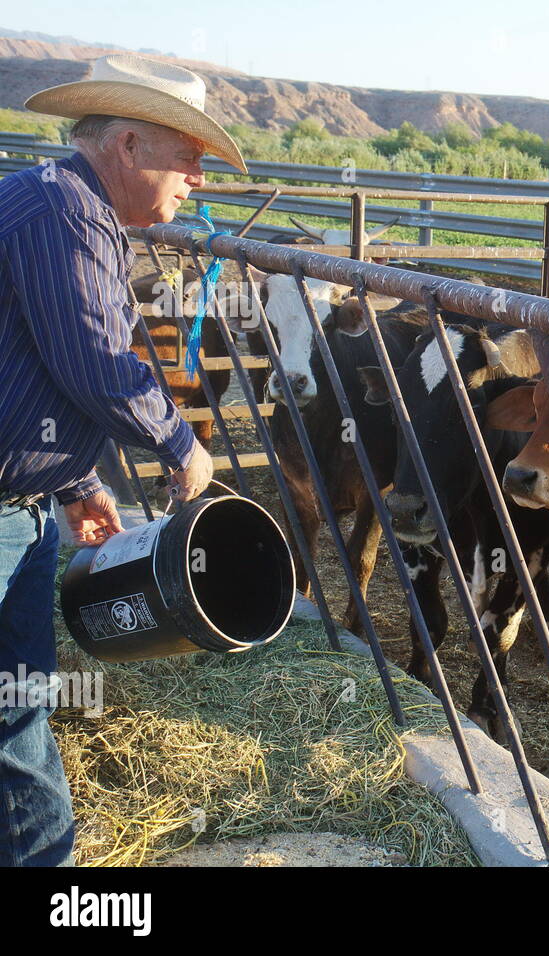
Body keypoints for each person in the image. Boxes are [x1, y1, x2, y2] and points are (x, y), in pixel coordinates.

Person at [0, 54, 248, 866]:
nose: (198, 182)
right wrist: (182, 445)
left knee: (18, 704)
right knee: (17, 709)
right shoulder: (61, 214)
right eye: (192, 157)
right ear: (132, 145)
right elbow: (98, 360)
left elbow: (32, 362)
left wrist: (71, 482)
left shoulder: (68, 207)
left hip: (21, 510)